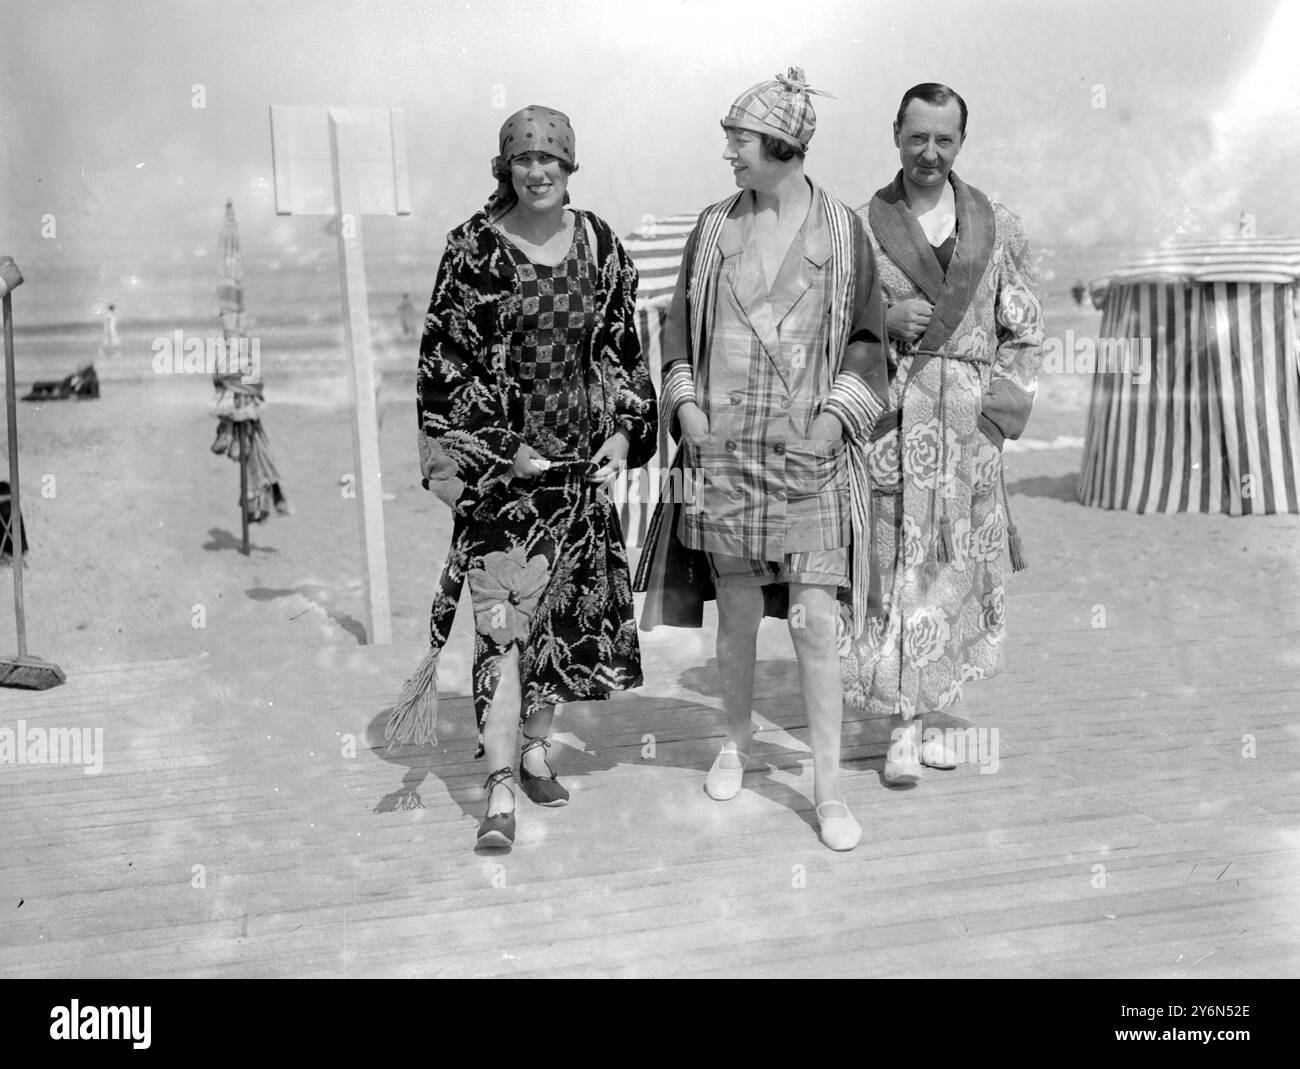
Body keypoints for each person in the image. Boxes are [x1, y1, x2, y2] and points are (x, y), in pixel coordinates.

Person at [390, 105, 658, 851]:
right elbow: (445, 371)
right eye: (523, 160)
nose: (537, 172)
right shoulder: (472, 250)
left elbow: (618, 350)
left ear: (571, 167)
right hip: (504, 486)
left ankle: (537, 746)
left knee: (562, 625)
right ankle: (500, 787)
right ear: (504, 167)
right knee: (503, 632)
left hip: (574, 479)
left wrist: (622, 430)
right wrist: (502, 447)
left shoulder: (600, 242)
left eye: (552, 160)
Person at [649, 68, 889, 851]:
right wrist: (686, 407)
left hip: (809, 453)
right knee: (741, 611)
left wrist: (830, 423)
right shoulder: (714, 228)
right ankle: (738, 742)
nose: (728, 154)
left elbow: (868, 339)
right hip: (725, 451)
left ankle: (827, 786)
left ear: (784, 147)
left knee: (818, 622)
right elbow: (679, 326)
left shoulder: (844, 232)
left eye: (739, 140)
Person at [845, 83, 1044, 785]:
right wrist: (880, 316)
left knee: (953, 571)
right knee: (897, 569)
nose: (929, 153)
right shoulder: (861, 228)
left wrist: (995, 418)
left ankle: (927, 715)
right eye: (916, 137)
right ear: (895, 133)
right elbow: (827, 324)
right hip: (894, 426)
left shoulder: (997, 225)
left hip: (969, 434)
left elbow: (1025, 331)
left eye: (944, 140)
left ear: (962, 142)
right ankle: (900, 724)